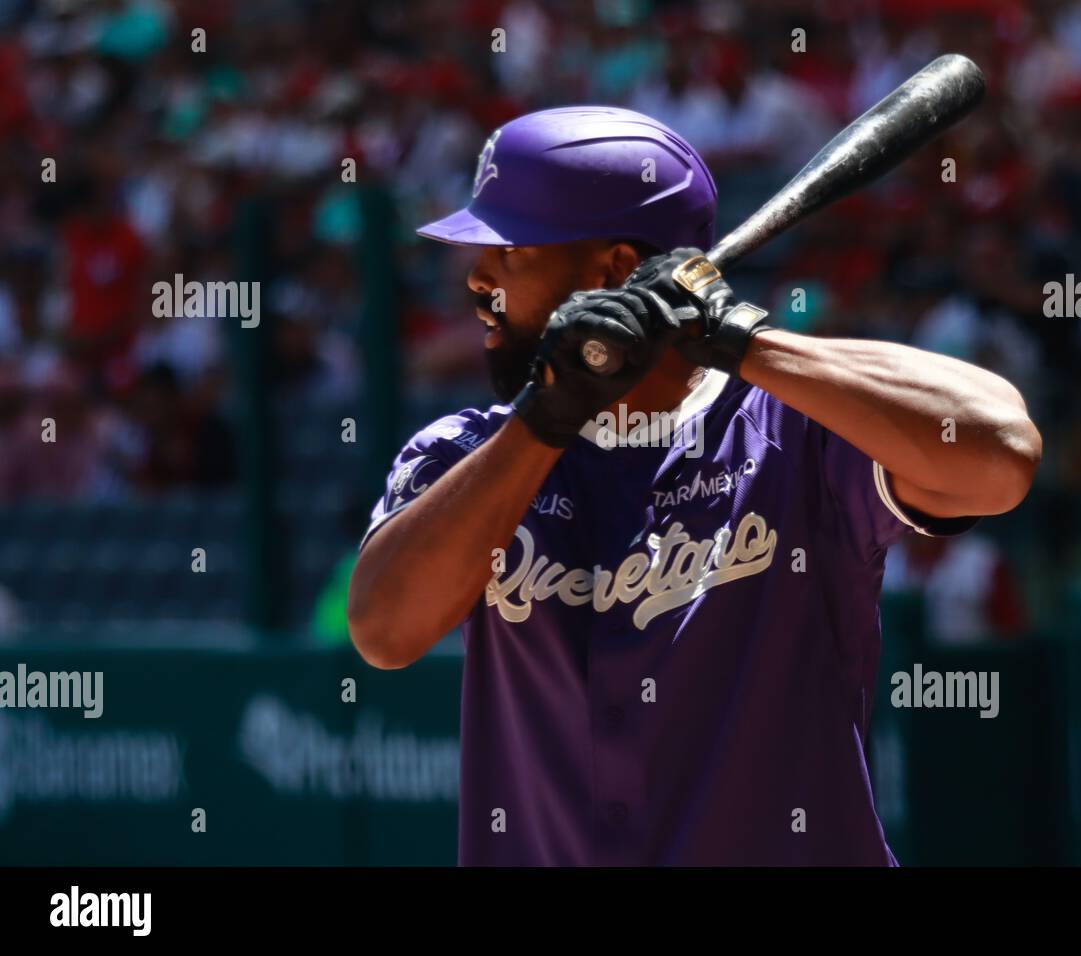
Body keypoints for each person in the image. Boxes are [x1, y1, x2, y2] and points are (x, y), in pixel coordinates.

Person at [347, 106, 1041, 866]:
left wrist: (740, 338)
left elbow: (1001, 455)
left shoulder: (797, 428)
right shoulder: (467, 450)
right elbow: (384, 631)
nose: (477, 281)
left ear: (613, 270)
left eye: (508, 251)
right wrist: (548, 417)